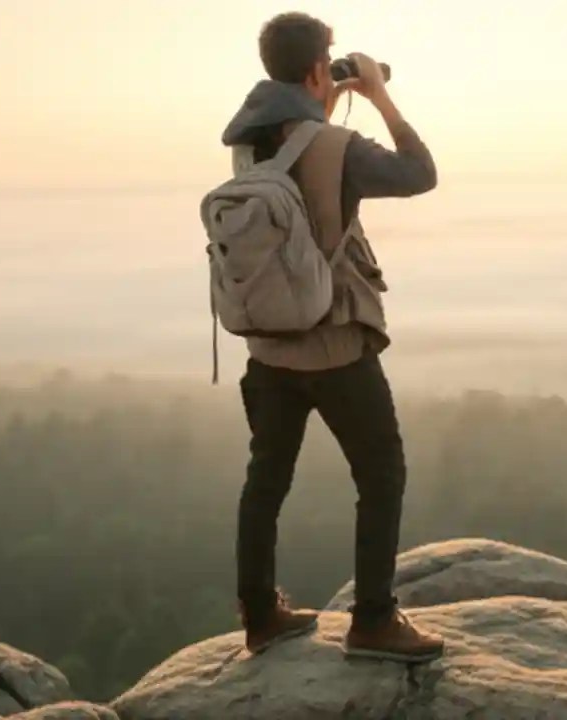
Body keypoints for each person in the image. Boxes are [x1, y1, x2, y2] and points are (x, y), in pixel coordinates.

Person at [218, 11, 443, 662]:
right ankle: (373, 621)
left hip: (266, 350)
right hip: (336, 347)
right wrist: (377, 95)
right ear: (320, 68)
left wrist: (320, 100)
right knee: (381, 473)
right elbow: (418, 172)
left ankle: (260, 615)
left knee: (266, 480)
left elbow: (295, 151)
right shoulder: (335, 147)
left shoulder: (246, 146)